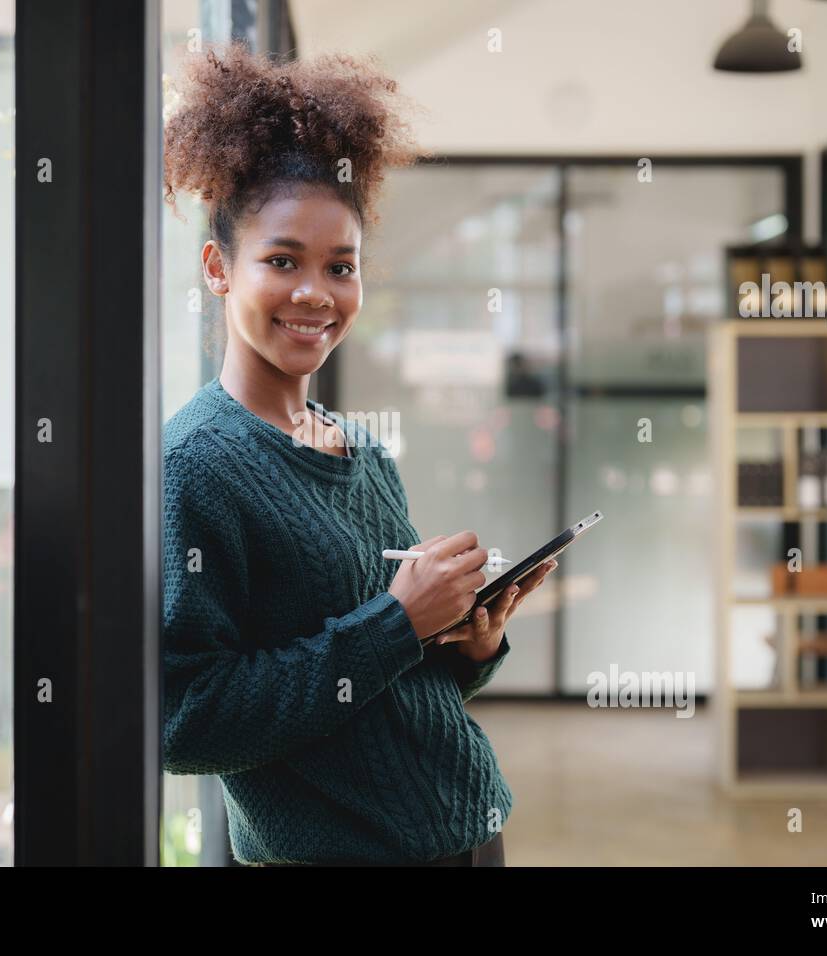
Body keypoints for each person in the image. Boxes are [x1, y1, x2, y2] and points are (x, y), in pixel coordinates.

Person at [160, 44, 557, 866]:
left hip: (471, 832)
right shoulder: (194, 465)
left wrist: (469, 640)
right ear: (216, 269)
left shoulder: (363, 450)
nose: (316, 293)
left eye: (340, 267)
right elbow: (185, 720)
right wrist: (397, 619)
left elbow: (397, 690)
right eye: (281, 261)